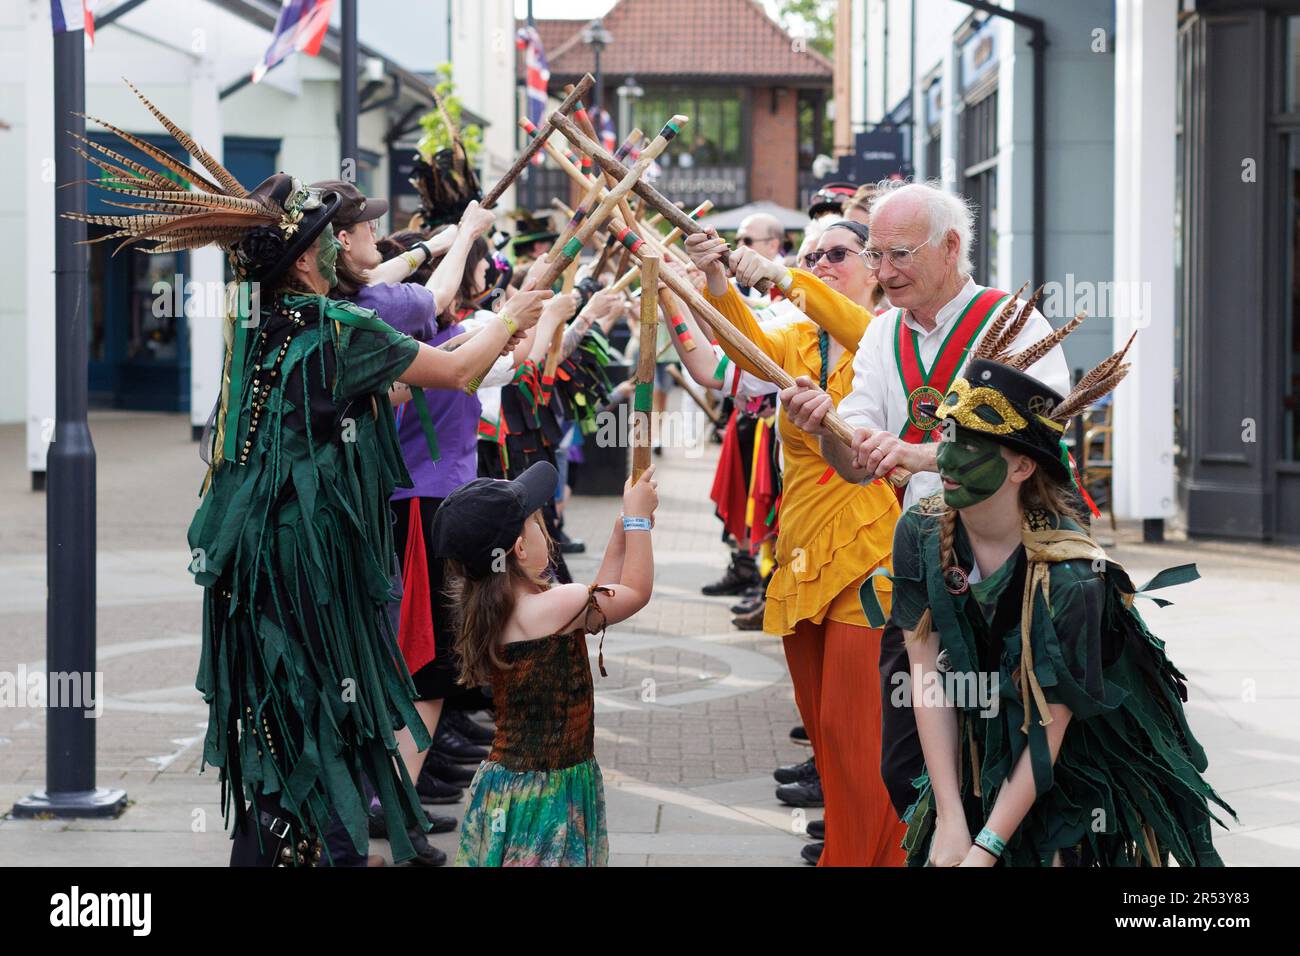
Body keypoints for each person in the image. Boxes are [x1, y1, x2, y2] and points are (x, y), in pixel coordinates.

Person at [73, 82, 550, 867]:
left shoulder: (260, 321)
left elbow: (366, 395)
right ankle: (320, 849)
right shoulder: (335, 323)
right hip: (307, 561)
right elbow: (460, 370)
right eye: (330, 234)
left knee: (282, 717)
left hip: (255, 561)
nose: (343, 244)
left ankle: (285, 848)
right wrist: (515, 315)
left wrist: (459, 270)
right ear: (303, 256)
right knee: (318, 710)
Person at [866, 320, 1234, 866]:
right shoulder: (919, 531)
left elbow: (1050, 730)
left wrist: (986, 848)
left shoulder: (1072, 578)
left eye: (970, 442)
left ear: (1021, 466)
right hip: (970, 742)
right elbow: (924, 672)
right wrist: (949, 818)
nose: (946, 456)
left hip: (1070, 766)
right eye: (946, 435)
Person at [778, 180, 1071, 821]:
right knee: (905, 765)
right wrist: (822, 426)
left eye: (898, 255)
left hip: (1017, 572)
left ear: (950, 248)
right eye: (875, 255)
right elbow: (855, 463)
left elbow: (1040, 449)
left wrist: (919, 456)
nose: (881, 272)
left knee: (1013, 749)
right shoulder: (883, 335)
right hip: (923, 570)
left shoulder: (1013, 324)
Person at [684, 220, 907, 868]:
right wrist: (718, 277)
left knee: (858, 729)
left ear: (871, 266)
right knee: (824, 734)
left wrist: (784, 275)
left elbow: (847, 320)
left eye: (836, 254)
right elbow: (744, 347)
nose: (823, 264)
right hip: (802, 549)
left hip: (871, 551)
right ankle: (847, 846)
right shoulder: (796, 338)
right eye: (813, 256)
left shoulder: (887, 338)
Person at [323, 185, 525, 864]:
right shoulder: (398, 316)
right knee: (426, 666)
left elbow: (401, 279)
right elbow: (452, 320)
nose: (377, 242)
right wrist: (466, 237)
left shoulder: (333, 306)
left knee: (397, 660)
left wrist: (446, 240)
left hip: (379, 505)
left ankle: (374, 804)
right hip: (420, 506)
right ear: (339, 243)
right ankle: (394, 809)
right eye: (366, 229)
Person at [432, 461, 660, 866]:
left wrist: (621, 532)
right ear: (520, 548)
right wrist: (640, 521)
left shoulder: (501, 610)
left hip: (508, 789)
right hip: (551, 797)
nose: (547, 529)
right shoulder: (554, 604)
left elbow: (593, 608)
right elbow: (635, 593)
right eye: (538, 522)